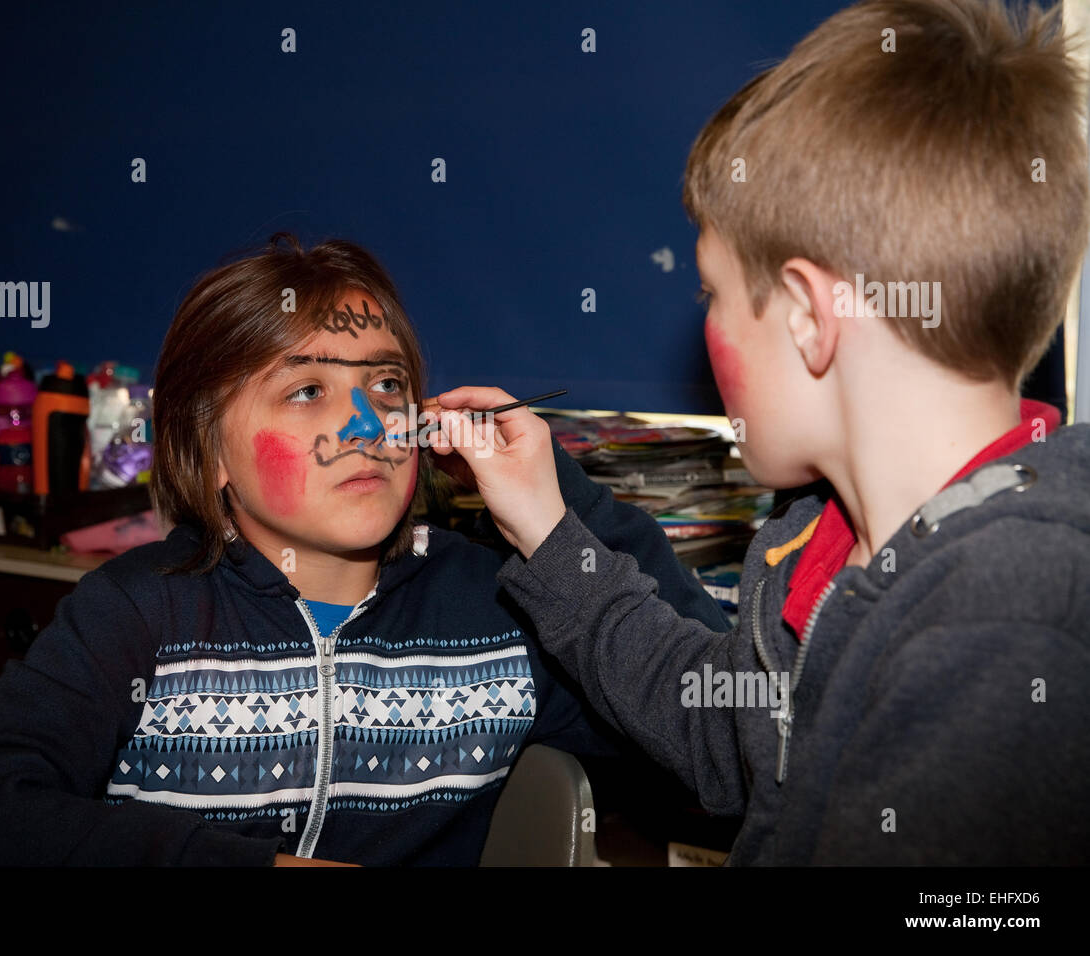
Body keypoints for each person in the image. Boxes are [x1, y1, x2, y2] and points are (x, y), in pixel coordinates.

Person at [430, 0, 1090, 864]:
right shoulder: (818, 542)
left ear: (811, 318)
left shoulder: (1004, 615)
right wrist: (548, 532)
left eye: (711, 293)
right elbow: (722, 737)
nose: (704, 323)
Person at [0, 234, 730, 866]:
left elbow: (705, 731)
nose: (365, 424)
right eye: (308, 390)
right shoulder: (140, 613)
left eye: (387, 385)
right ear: (210, 456)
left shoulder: (502, 613)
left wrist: (557, 510)